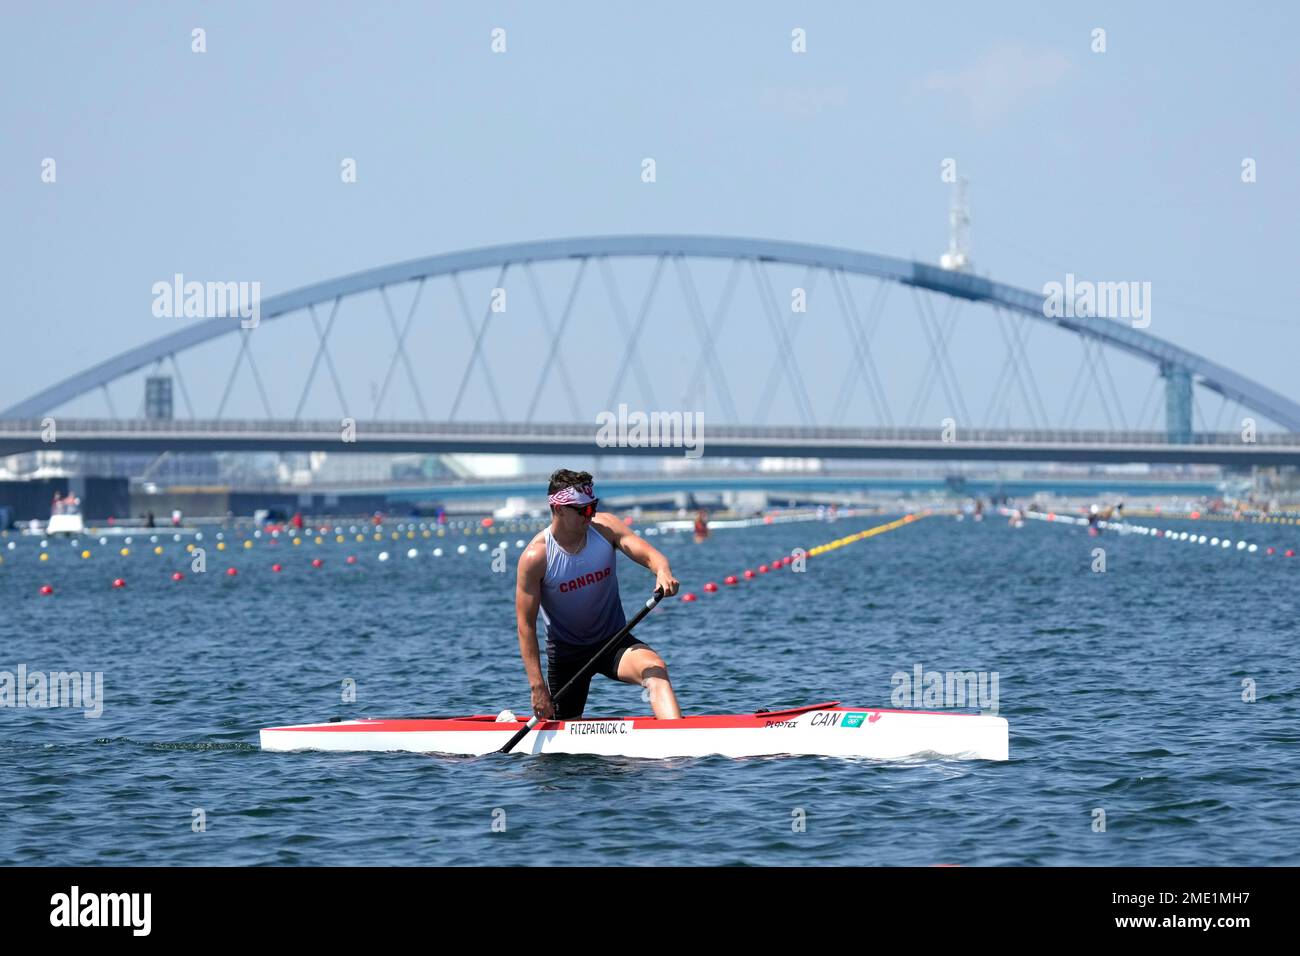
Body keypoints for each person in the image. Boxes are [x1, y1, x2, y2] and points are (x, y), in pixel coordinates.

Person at [515, 469, 682, 721]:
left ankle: (677, 745)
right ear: (558, 509)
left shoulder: (605, 528)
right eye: (582, 510)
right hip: (566, 655)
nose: (590, 515)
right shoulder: (536, 557)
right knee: (560, 740)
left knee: (655, 670)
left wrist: (662, 571)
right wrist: (537, 687)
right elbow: (525, 625)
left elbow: (651, 556)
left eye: (593, 506)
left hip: (613, 642)